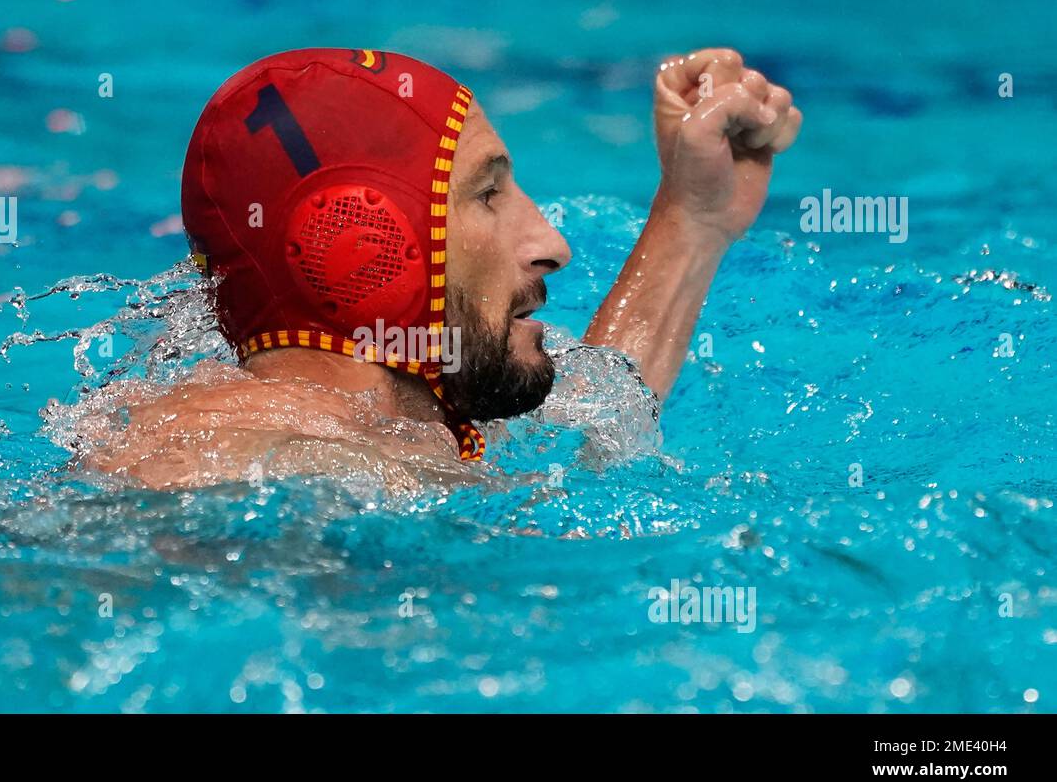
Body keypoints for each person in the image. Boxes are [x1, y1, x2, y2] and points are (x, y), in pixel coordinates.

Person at [82, 47, 801, 490]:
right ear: (365, 248)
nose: (552, 242)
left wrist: (692, 218)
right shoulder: (222, 460)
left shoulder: (406, 429)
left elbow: (596, 413)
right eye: (488, 193)